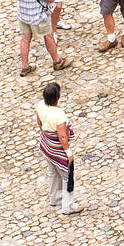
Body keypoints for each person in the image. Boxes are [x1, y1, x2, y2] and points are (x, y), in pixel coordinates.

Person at [35, 82, 79, 214]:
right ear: (57, 96)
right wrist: (69, 153)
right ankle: (68, 206)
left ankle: (54, 198)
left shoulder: (40, 105)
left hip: (47, 145)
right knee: (67, 175)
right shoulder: (59, 114)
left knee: (53, 172)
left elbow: (39, 123)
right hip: (57, 148)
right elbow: (62, 137)